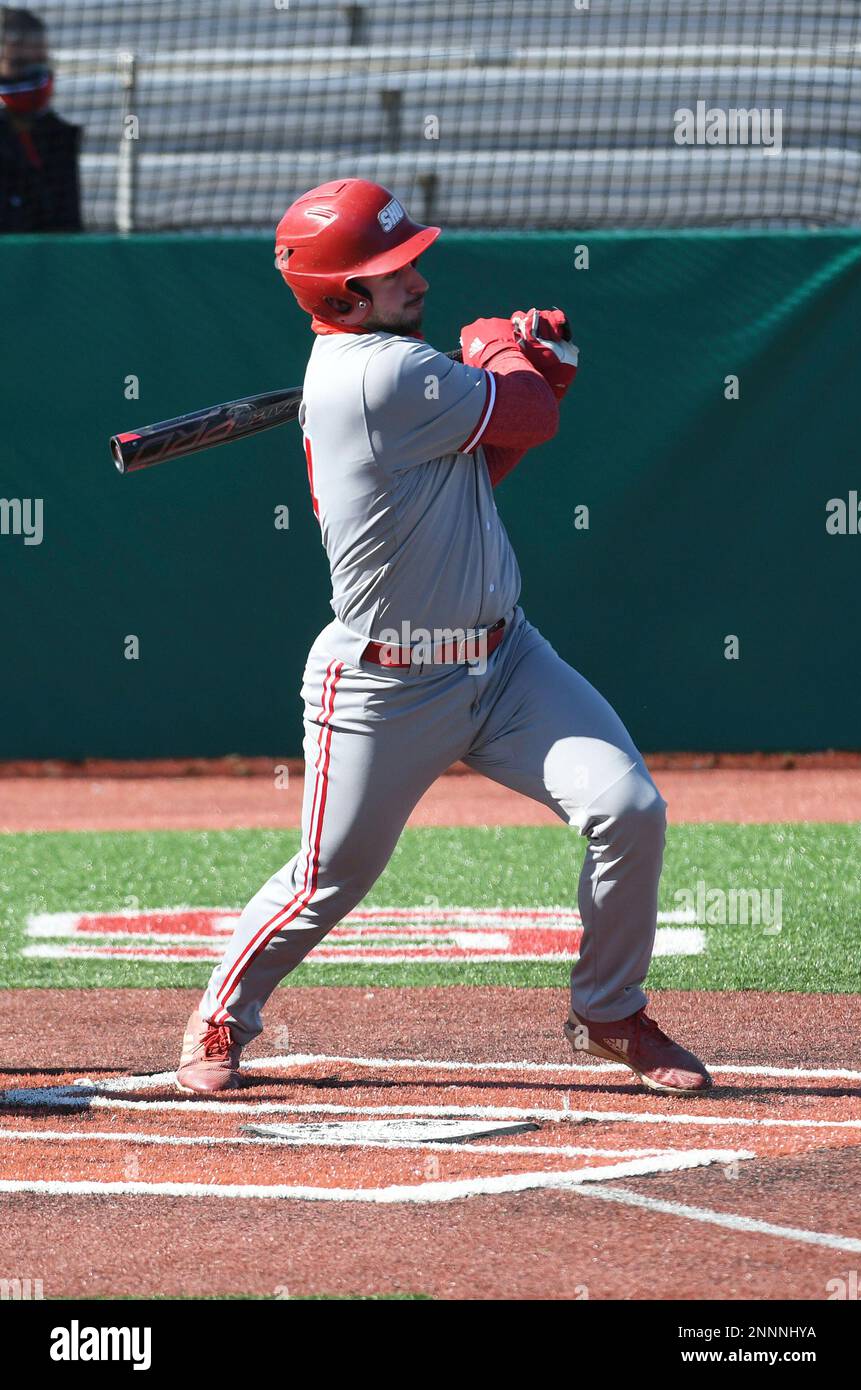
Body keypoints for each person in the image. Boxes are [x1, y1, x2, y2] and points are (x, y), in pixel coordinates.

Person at [175, 178, 712, 1098]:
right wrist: (508, 352)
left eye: (410, 260)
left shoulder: (392, 370)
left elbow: (492, 457)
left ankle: (609, 1011)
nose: (416, 277)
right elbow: (529, 413)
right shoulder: (382, 373)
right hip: (387, 685)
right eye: (390, 270)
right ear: (342, 295)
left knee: (630, 810)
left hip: (506, 662)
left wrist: (531, 371)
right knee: (328, 878)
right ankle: (223, 1012)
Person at [0, 7, 82, 232]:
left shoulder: (60, 137)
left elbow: (69, 227)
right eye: (19, 64)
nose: (32, 74)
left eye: (40, 63)